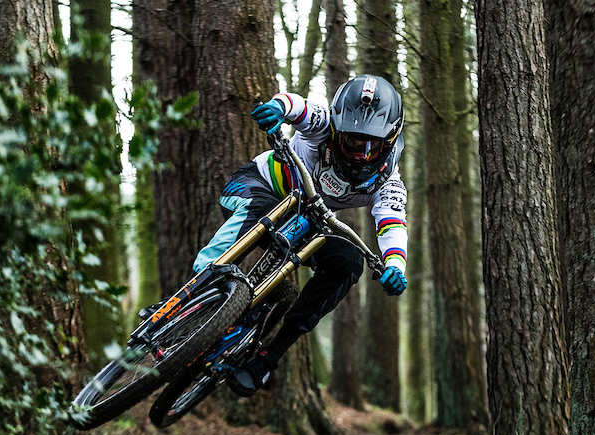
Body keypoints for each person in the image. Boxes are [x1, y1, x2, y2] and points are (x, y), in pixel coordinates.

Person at [155, 75, 410, 397]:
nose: (360, 154)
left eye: (371, 147)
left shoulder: (389, 182)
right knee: (254, 211)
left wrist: (395, 266)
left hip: (310, 217)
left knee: (348, 264)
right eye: (352, 143)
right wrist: (277, 108)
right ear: (336, 131)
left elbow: (392, 224)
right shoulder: (323, 124)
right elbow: (297, 106)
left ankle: (265, 358)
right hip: (258, 186)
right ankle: (186, 297)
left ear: (390, 141)